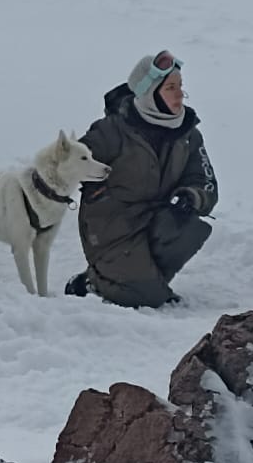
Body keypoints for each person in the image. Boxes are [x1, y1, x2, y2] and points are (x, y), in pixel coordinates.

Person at [64, 50, 217, 308]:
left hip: (155, 221)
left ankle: (140, 282)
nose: (180, 94)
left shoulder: (188, 134)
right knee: (147, 298)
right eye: (170, 87)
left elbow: (205, 182)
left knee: (189, 227)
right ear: (150, 93)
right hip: (111, 228)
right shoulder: (111, 131)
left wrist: (191, 197)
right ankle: (94, 283)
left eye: (180, 86)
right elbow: (68, 165)